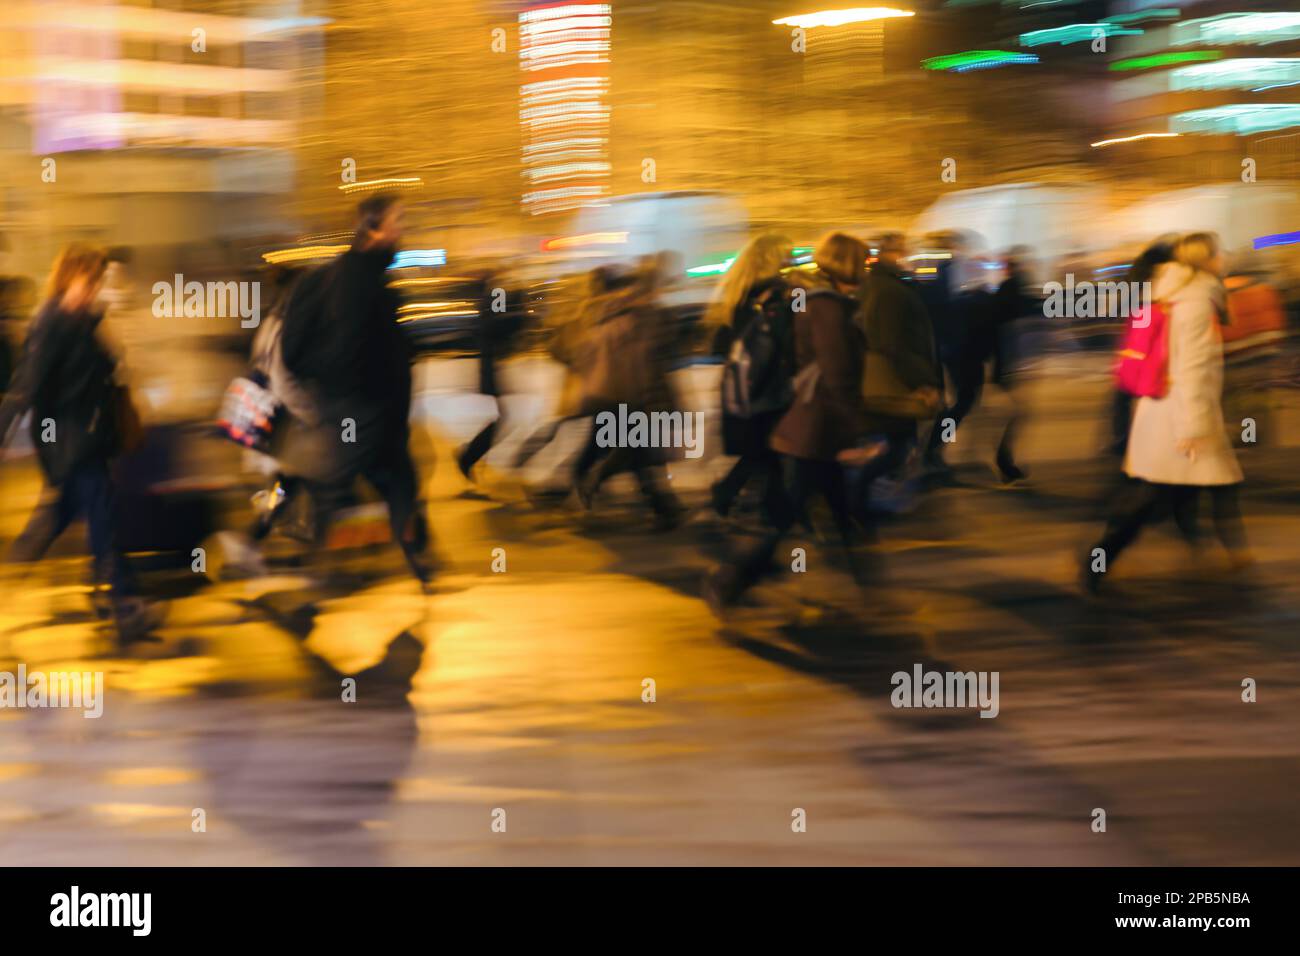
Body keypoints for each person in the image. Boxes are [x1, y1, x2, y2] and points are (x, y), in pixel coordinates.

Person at [0, 243, 162, 642]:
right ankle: (124, 606)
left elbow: (109, 367)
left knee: (53, 523)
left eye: (97, 280)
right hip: (69, 441)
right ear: (70, 275)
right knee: (103, 519)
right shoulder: (50, 321)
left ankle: (106, 597)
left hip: (88, 437)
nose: (94, 287)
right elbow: (27, 387)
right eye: (90, 279)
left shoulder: (83, 318)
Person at [702, 232, 869, 613]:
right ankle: (731, 579)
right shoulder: (813, 302)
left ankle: (869, 591)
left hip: (786, 419)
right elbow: (836, 372)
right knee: (786, 511)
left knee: (830, 510)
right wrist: (854, 431)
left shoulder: (774, 298)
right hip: (803, 422)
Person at [278, 193, 434, 587]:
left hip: (374, 410)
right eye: (397, 220)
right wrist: (351, 392)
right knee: (335, 483)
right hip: (361, 410)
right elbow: (351, 347)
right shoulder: (356, 281)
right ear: (372, 228)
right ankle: (306, 564)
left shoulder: (368, 277)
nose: (403, 229)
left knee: (400, 480)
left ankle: (418, 558)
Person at [1083, 232, 1251, 593]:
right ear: (1204, 260)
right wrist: (1194, 425)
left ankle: (1215, 550)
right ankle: (1097, 562)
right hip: (1181, 414)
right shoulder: (1195, 303)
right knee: (1150, 498)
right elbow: (1193, 368)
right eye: (1217, 254)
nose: (1222, 259)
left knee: (1197, 486)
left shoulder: (1171, 294)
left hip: (1167, 408)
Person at [570, 256, 685, 530]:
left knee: (637, 452)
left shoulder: (610, 311)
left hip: (607, 392)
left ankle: (665, 507)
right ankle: (595, 480)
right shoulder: (640, 316)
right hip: (628, 395)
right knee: (634, 451)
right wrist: (650, 400)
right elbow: (644, 361)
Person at [854, 231, 941, 525]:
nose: (909, 257)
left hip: (884, 380)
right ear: (894, 253)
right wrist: (921, 383)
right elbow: (894, 344)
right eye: (905, 251)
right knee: (898, 443)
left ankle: (867, 498)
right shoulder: (890, 290)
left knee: (894, 442)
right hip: (895, 382)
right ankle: (859, 500)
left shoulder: (875, 285)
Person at [707, 233, 794, 520]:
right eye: (785, 254)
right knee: (771, 450)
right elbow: (790, 336)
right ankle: (773, 517)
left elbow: (722, 345)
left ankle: (737, 498)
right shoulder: (777, 295)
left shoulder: (737, 296)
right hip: (771, 385)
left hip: (744, 387)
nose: (789, 259)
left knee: (765, 451)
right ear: (773, 259)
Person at [1107, 239, 1174, 459]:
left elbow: (1127, 308)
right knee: (1145, 390)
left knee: (1124, 393)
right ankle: (1133, 443)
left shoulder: (1138, 272)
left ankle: (1121, 440)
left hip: (1133, 336)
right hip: (1147, 338)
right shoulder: (1161, 277)